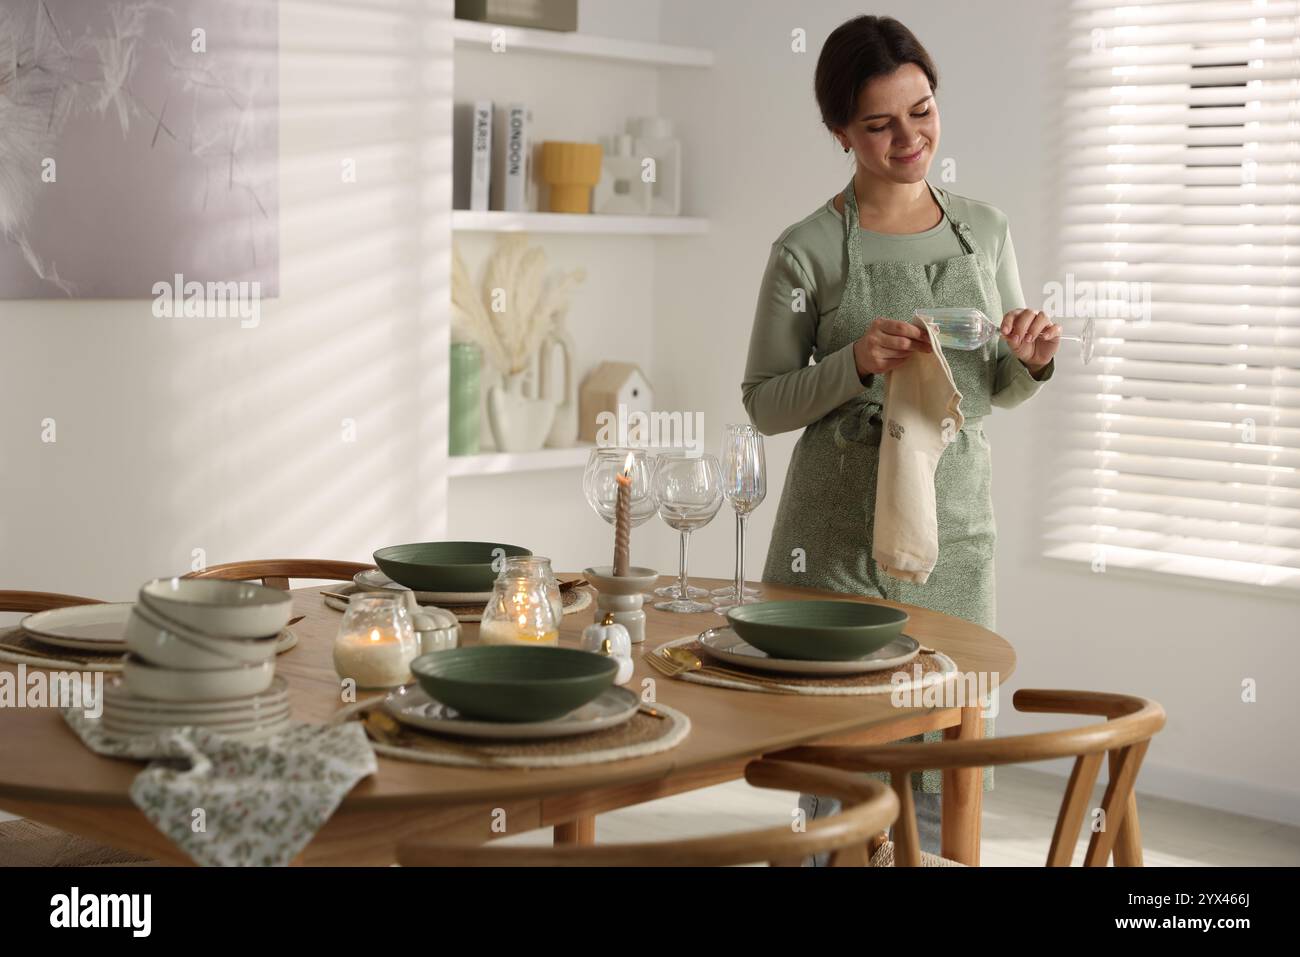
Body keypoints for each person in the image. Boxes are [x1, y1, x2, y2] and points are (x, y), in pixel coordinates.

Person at [741, 15, 1060, 862]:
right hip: (834, 545)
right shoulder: (805, 249)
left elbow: (990, 390)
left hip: (955, 538)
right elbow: (765, 404)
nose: (909, 138)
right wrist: (851, 361)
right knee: (836, 771)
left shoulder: (983, 232)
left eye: (922, 111)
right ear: (840, 131)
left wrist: (1028, 361)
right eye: (880, 124)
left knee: (945, 765)